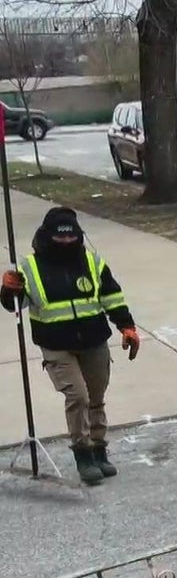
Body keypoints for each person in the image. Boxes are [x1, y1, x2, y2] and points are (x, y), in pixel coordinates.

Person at [0, 207, 140, 486]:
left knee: (97, 398)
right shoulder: (29, 267)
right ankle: (83, 455)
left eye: (71, 236)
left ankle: (99, 450)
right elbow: (13, 306)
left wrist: (127, 326)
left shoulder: (92, 261)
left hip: (94, 342)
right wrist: (8, 289)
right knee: (78, 397)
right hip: (56, 345)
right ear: (47, 236)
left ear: (78, 235)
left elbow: (112, 297)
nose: (65, 242)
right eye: (59, 237)